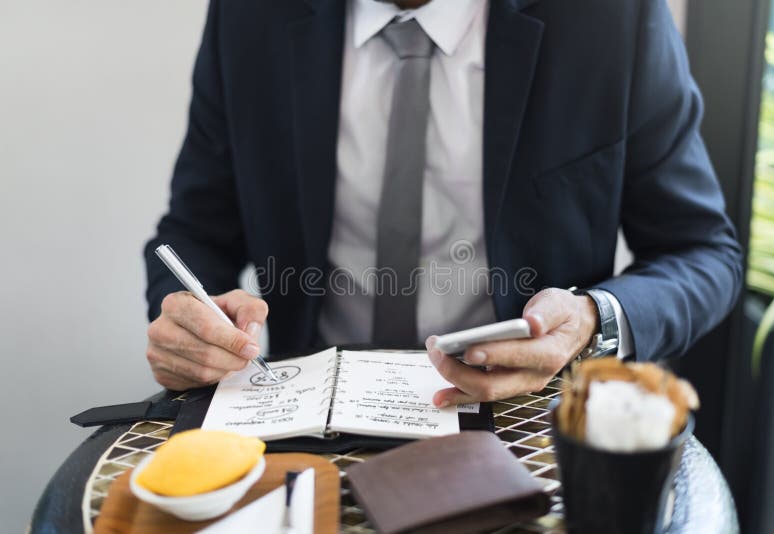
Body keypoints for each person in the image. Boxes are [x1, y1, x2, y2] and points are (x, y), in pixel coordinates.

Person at [144, 0, 742, 407]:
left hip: (525, 414)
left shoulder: (611, 15)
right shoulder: (253, 16)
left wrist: (590, 322)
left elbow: (704, 253)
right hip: (307, 412)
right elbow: (191, 233)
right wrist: (186, 322)